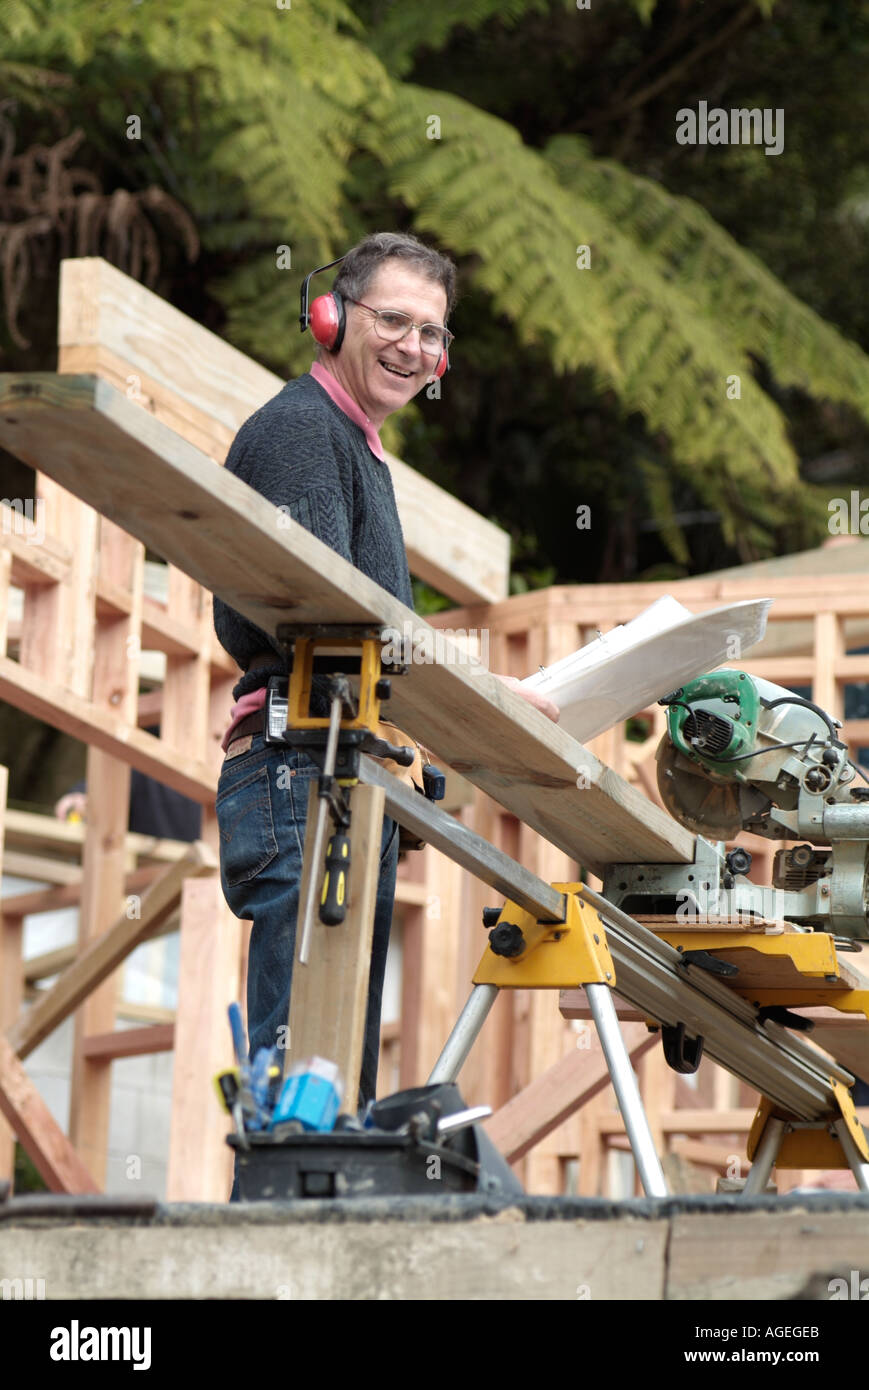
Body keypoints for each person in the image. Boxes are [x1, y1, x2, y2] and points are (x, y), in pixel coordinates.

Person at [212, 232, 558, 1125]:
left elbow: (370, 635)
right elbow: (335, 616)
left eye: (432, 334)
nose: (414, 348)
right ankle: (285, 1243)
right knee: (300, 1083)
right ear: (329, 318)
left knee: (328, 1081)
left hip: (331, 776)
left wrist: (471, 690)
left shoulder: (355, 446)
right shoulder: (298, 432)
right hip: (299, 770)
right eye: (393, 320)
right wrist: (478, 686)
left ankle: (318, 1235)